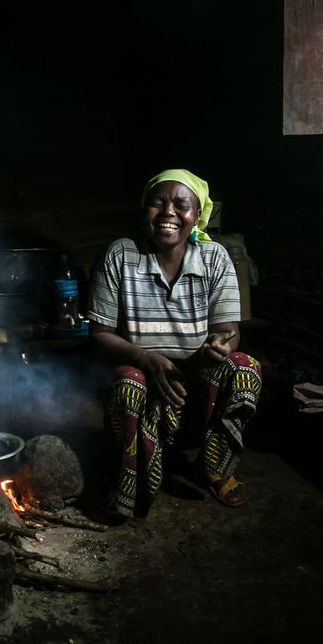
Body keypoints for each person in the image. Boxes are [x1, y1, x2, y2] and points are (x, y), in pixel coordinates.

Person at [87, 169, 262, 518]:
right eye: (157, 203)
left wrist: (220, 345)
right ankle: (131, 477)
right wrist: (146, 359)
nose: (168, 212)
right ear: (144, 211)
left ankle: (214, 464)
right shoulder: (121, 255)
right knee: (127, 381)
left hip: (194, 382)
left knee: (245, 369)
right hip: (142, 378)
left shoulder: (215, 258)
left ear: (198, 216)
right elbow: (99, 334)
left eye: (181, 205)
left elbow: (229, 331)